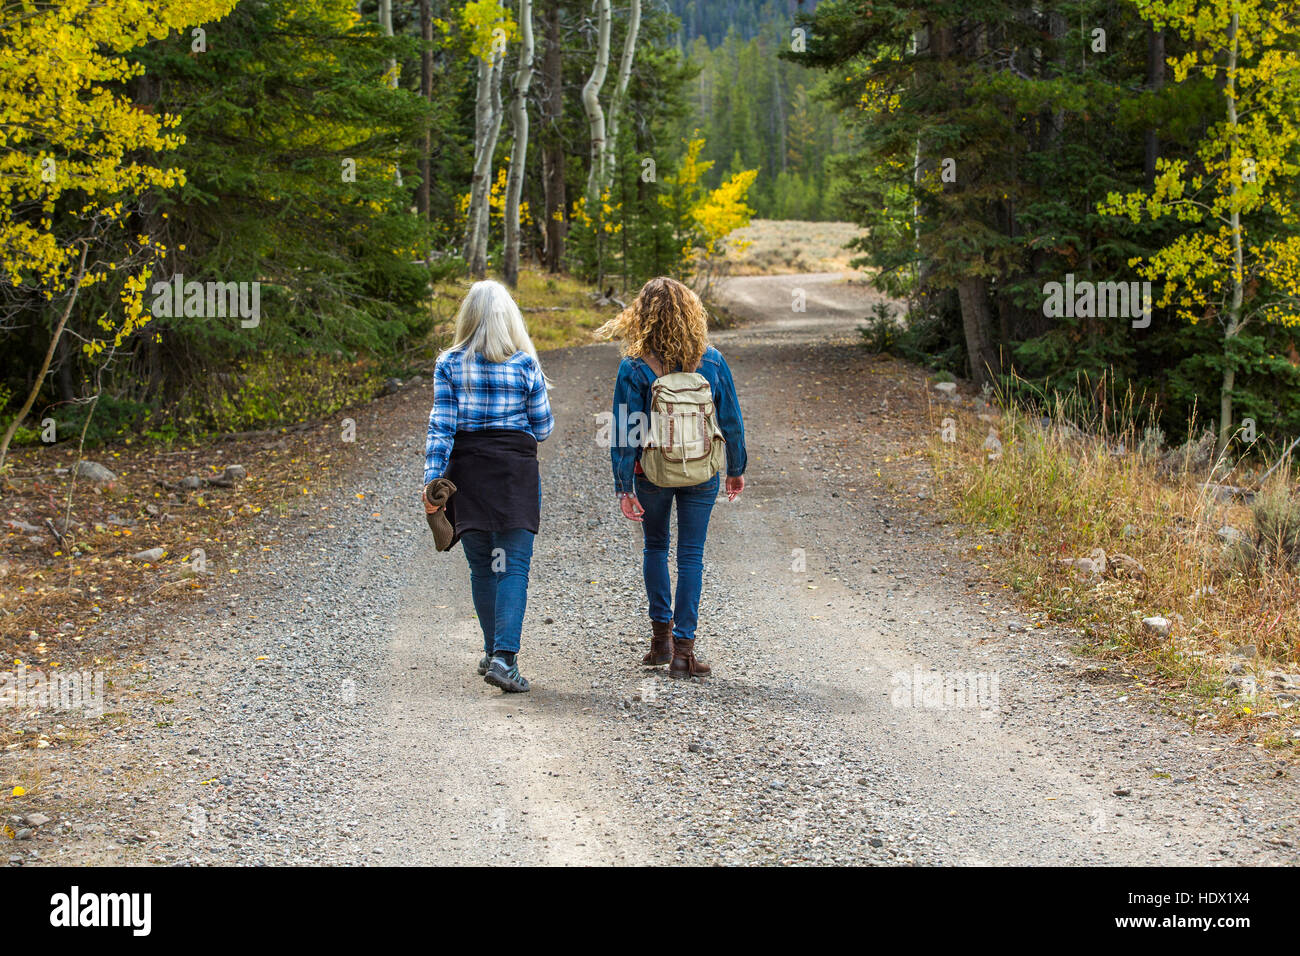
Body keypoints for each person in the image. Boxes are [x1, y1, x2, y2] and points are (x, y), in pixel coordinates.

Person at [597, 276, 747, 678]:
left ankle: (659, 643)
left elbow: (625, 429)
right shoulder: (712, 360)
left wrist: (623, 485)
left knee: (655, 548)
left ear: (642, 316)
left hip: (653, 472)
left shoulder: (634, 366)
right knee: (691, 555)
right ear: (691, 313)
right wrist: (736, 468)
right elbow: (731, 420)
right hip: (701, 471)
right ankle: (684, 653)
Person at [422, 280, 553, 693]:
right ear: (507, 318)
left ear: (469, 317)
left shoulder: (448, 363)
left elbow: (441, 428)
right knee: (512, 565)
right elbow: (544, 428)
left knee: (483, 566)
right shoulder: (524, 364)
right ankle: (504, 658)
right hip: (513, 470)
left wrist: (432, 481)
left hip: (468, 472)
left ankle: (491, 651)